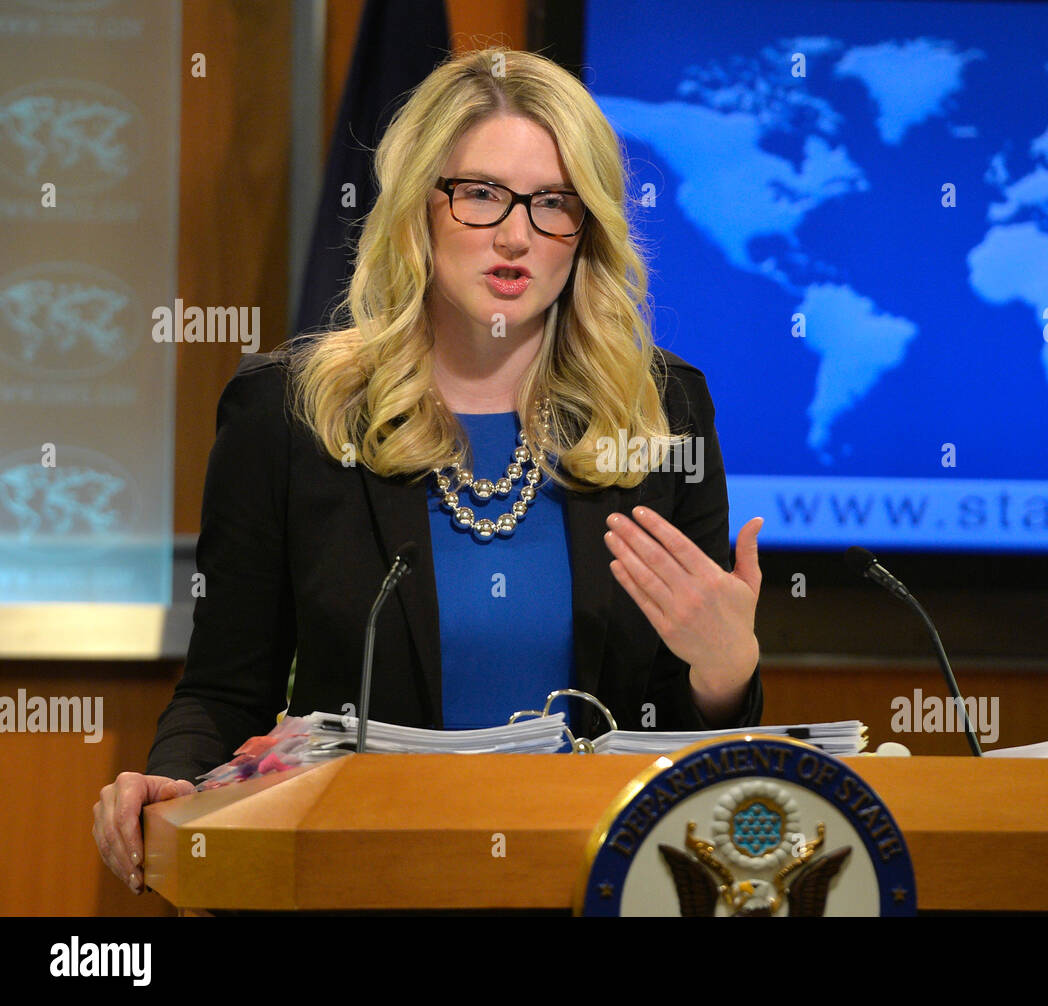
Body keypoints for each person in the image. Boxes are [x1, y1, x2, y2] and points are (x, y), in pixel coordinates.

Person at [93, 47, 763, 894]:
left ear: (585, 230)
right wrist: (175, 785)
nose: (516, 234)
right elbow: (225, 691)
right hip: (371, 888)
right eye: (482, 194)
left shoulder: (660, 412)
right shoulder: (291, 414)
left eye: (554, 203)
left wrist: (726, 670)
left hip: (599, 886)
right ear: (419, 206)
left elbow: (682, 732)